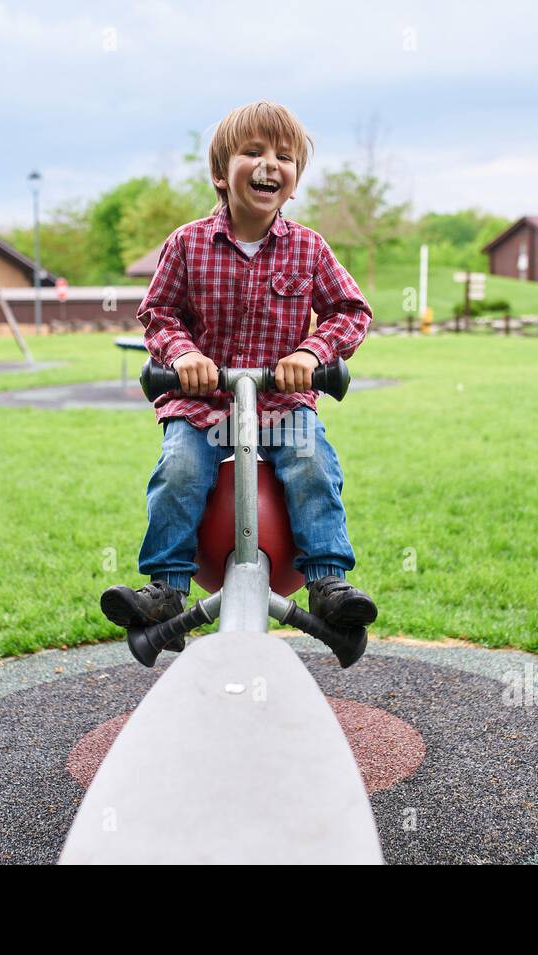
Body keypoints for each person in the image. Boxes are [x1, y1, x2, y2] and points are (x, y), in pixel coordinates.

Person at [101, 100, 377, 644]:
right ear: (220, 174)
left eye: (284, 156)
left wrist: (314, 354)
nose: (269, 164)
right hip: (203, 406)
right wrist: (182, 357)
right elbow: (158, 314)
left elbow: (352, 312)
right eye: (252, 152)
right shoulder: (186, 244)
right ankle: (166, 587)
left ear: (294, 183)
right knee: (179, 469)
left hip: (279, 406)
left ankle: (328, 581)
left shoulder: (309, 249)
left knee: (312, 463)